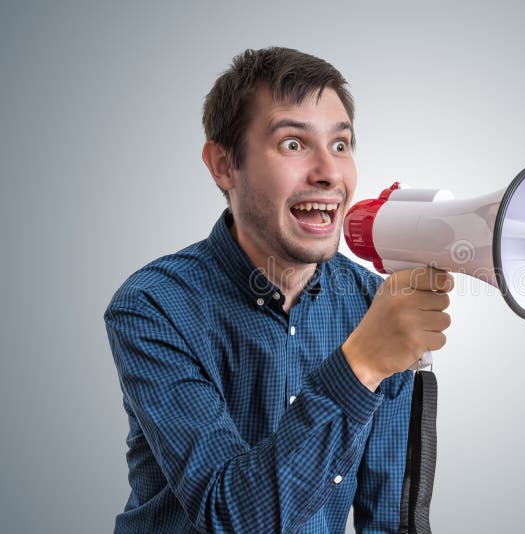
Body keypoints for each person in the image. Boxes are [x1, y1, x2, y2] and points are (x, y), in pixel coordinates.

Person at [104, 47, 453, 533]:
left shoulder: (375, 305)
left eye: (341, 144)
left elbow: (391, 519)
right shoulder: (154, 307)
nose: (329, 173)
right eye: (293, 144)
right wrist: (363, 363)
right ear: (224, 165)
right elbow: (230, 518)